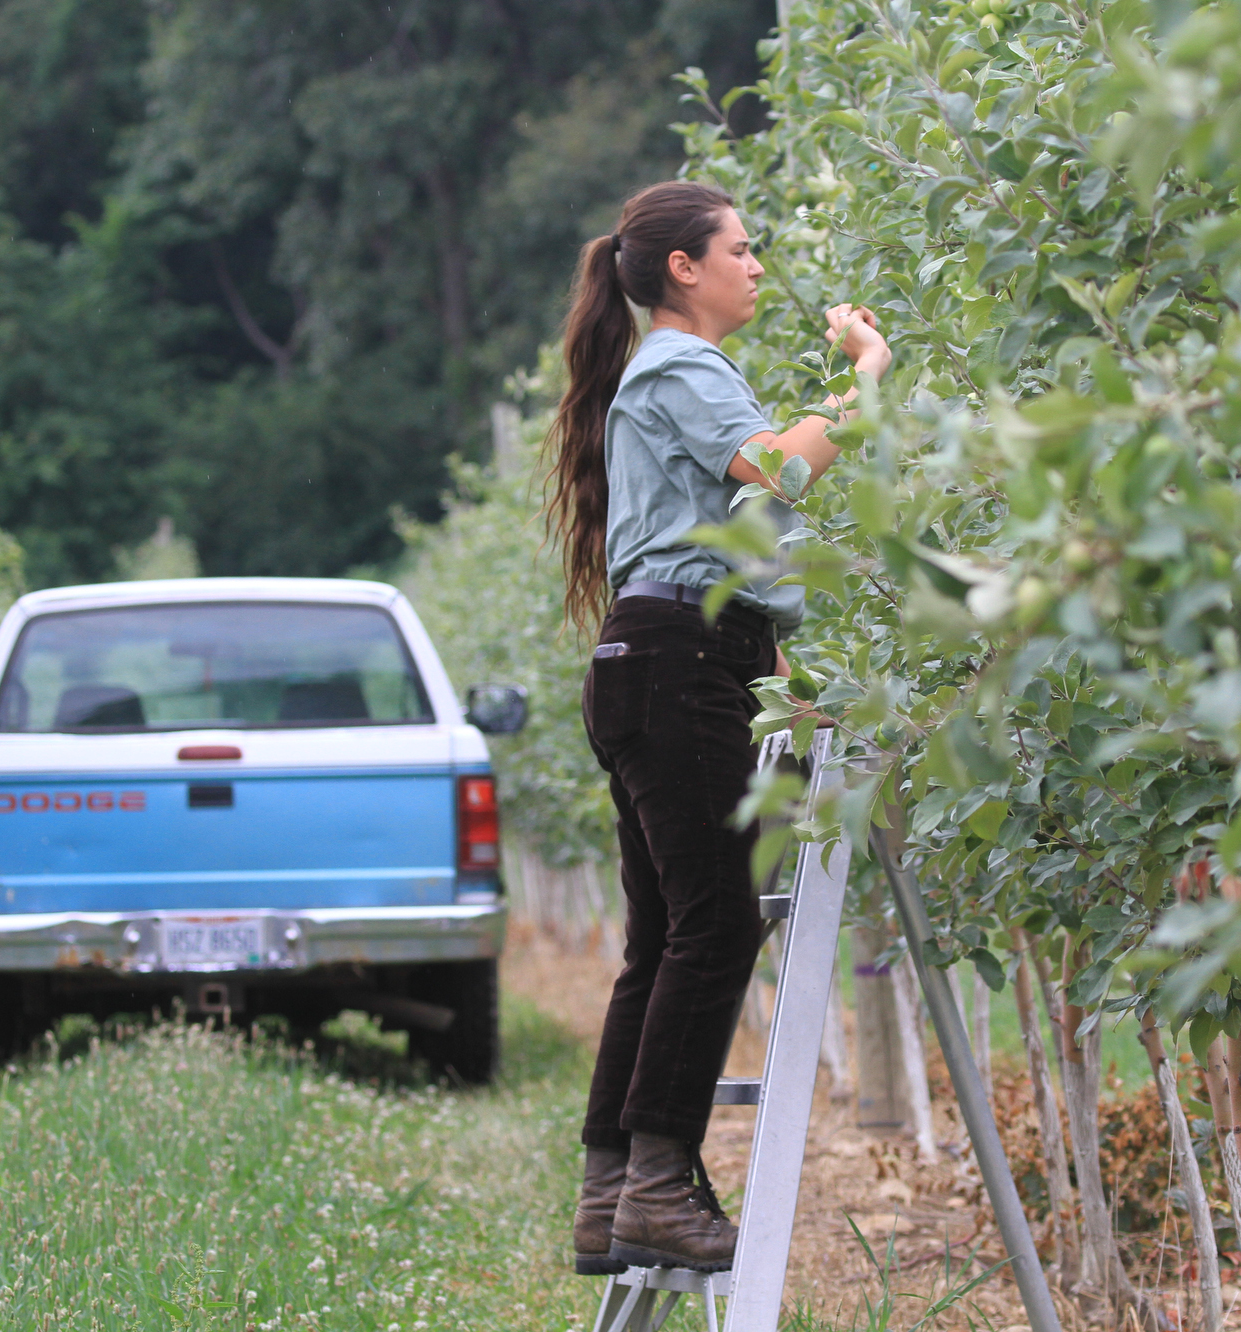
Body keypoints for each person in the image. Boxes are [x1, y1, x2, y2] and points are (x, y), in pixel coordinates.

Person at [543, 180, 892, 1274]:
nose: (756, 263)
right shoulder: (681, 364)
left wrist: (771, 661)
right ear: (682, 269)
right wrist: (866, 380)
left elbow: (729, 541)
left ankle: (614, 1194)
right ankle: (654, 1188)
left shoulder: (667, 372)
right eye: (741, 248)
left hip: (659, 662)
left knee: (661, 942)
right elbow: (779, 469)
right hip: (674, 669)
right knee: (716, 929)